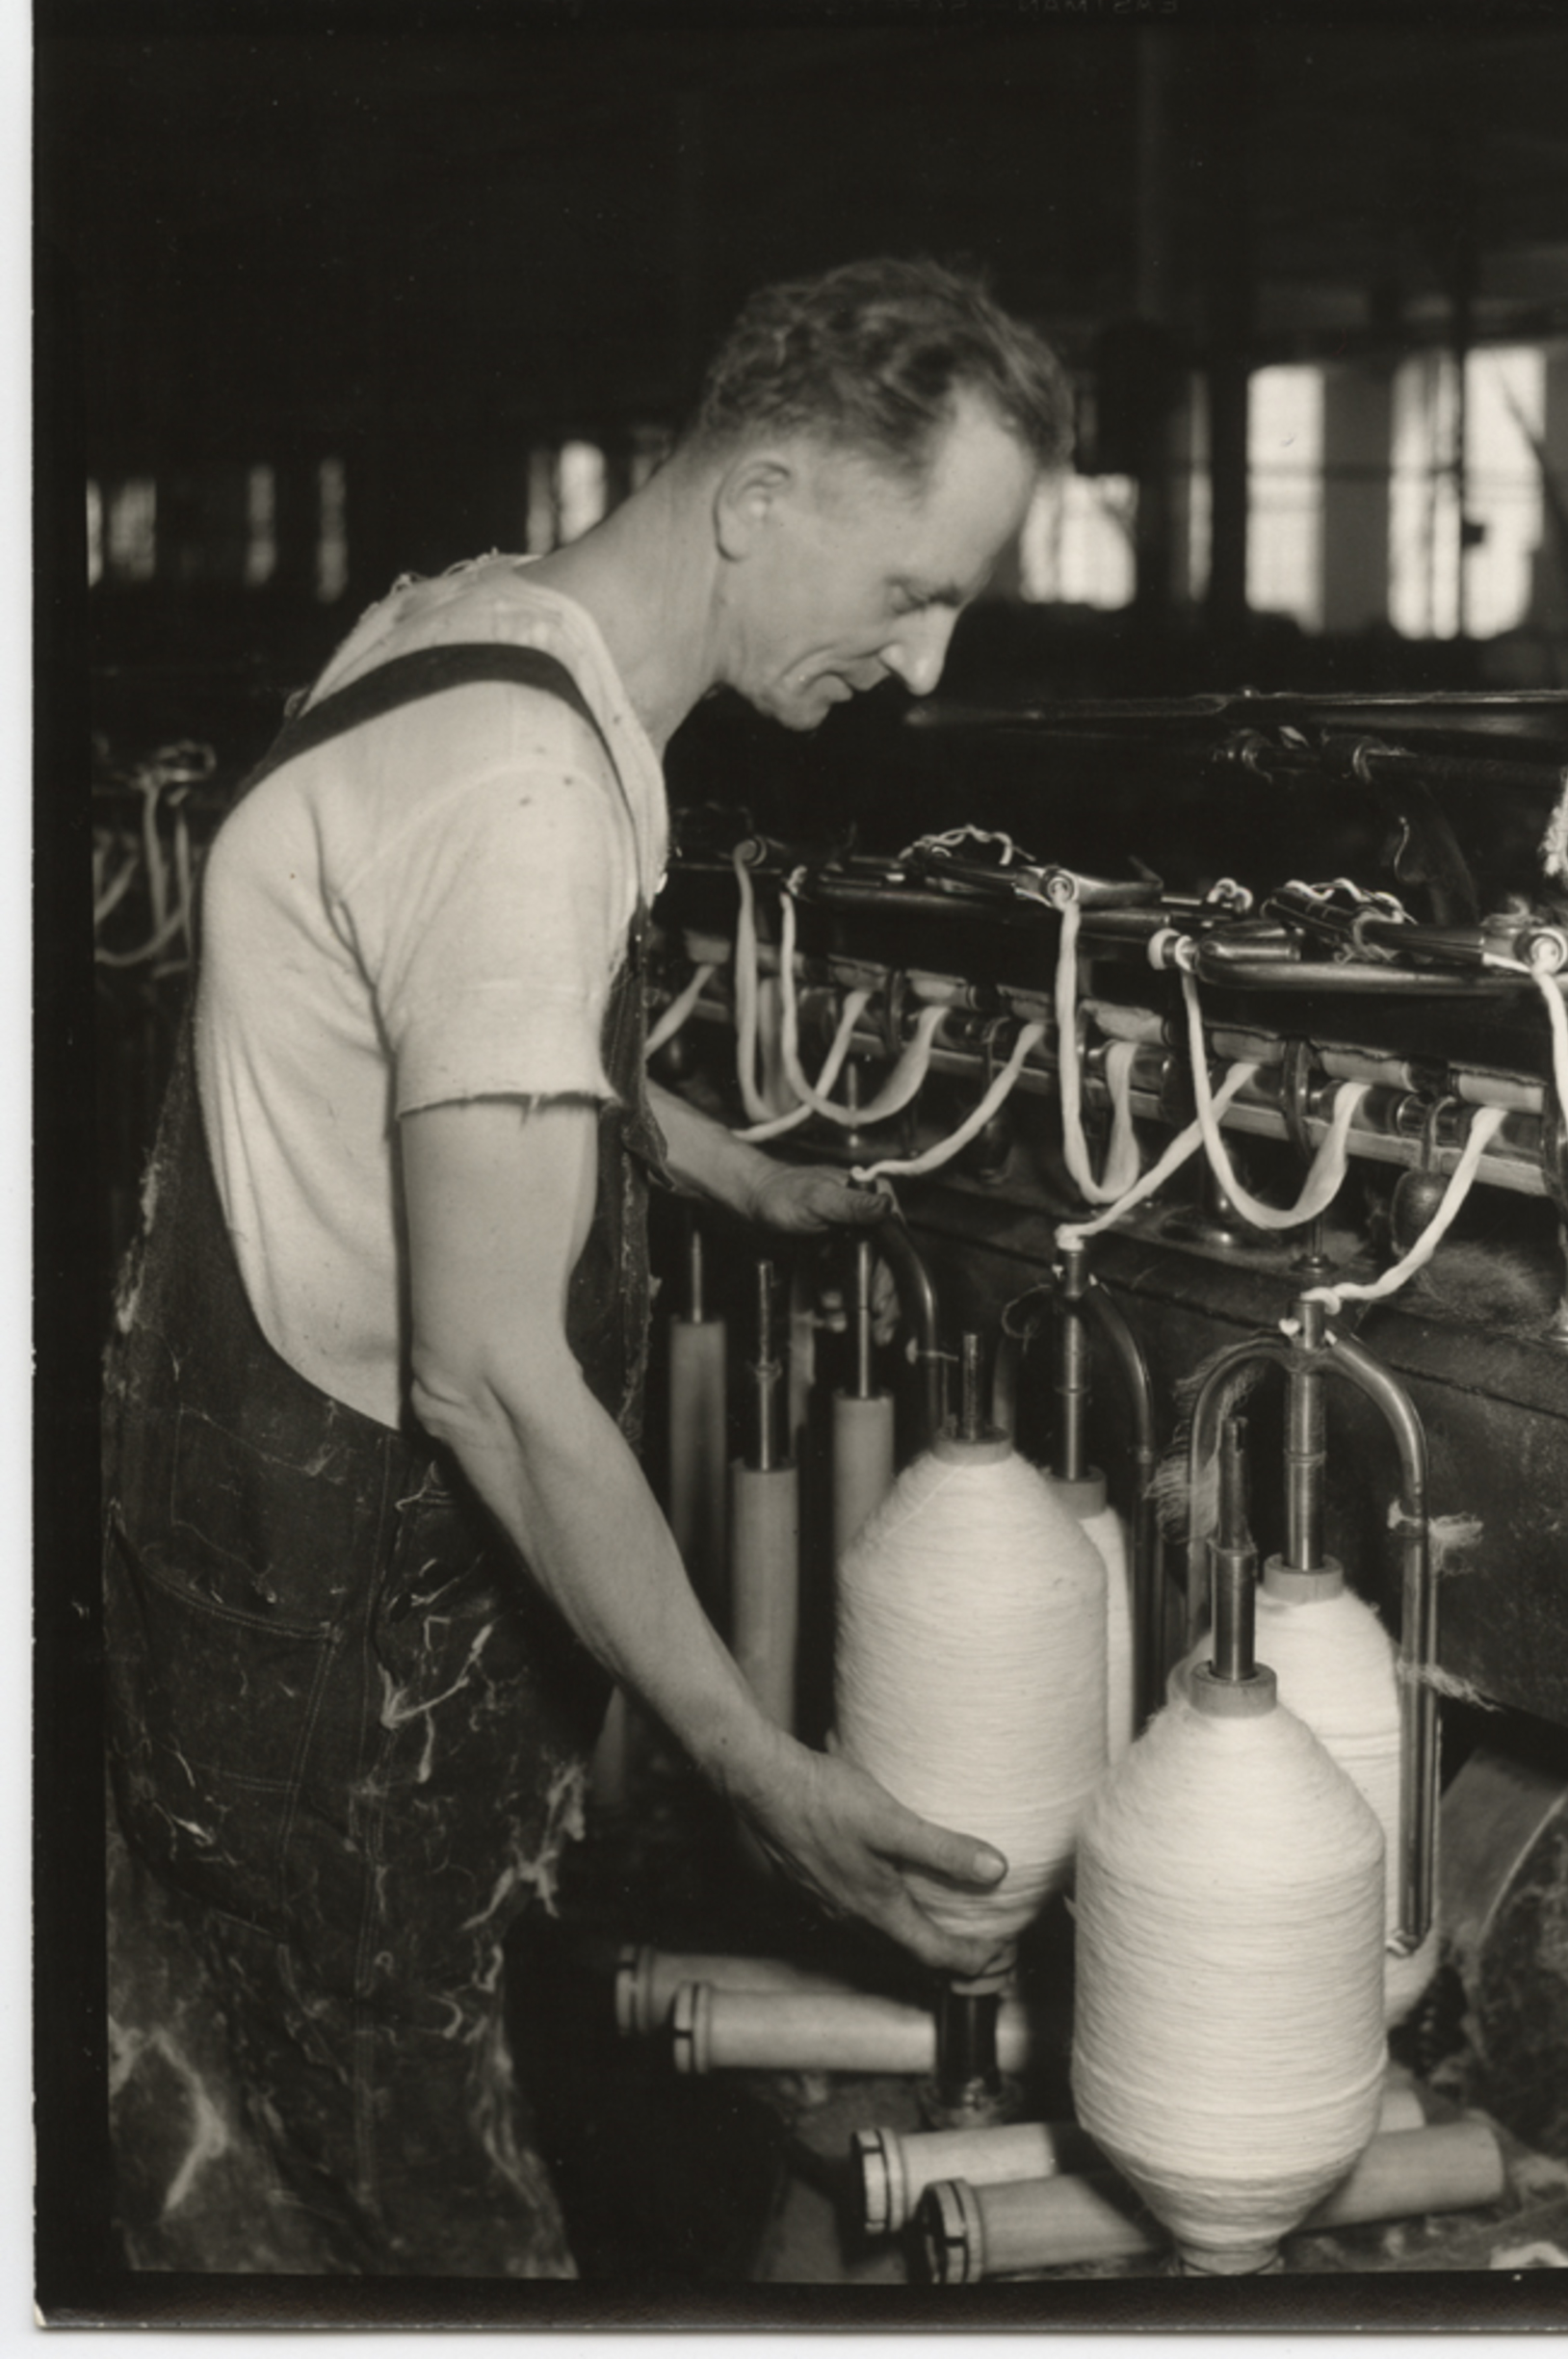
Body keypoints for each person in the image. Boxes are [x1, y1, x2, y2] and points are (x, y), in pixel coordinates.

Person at [102, 256, 1074, 2274]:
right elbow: (484, 1374)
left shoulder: (478, 630)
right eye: (914, 589)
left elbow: (441, 1002)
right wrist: (748, 1761)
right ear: (762, 497)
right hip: (333, 1626)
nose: (923, 664)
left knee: (259, 2115)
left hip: (247, 1540)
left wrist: (709, 1163)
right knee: (404, 2221)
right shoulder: (523, 785)